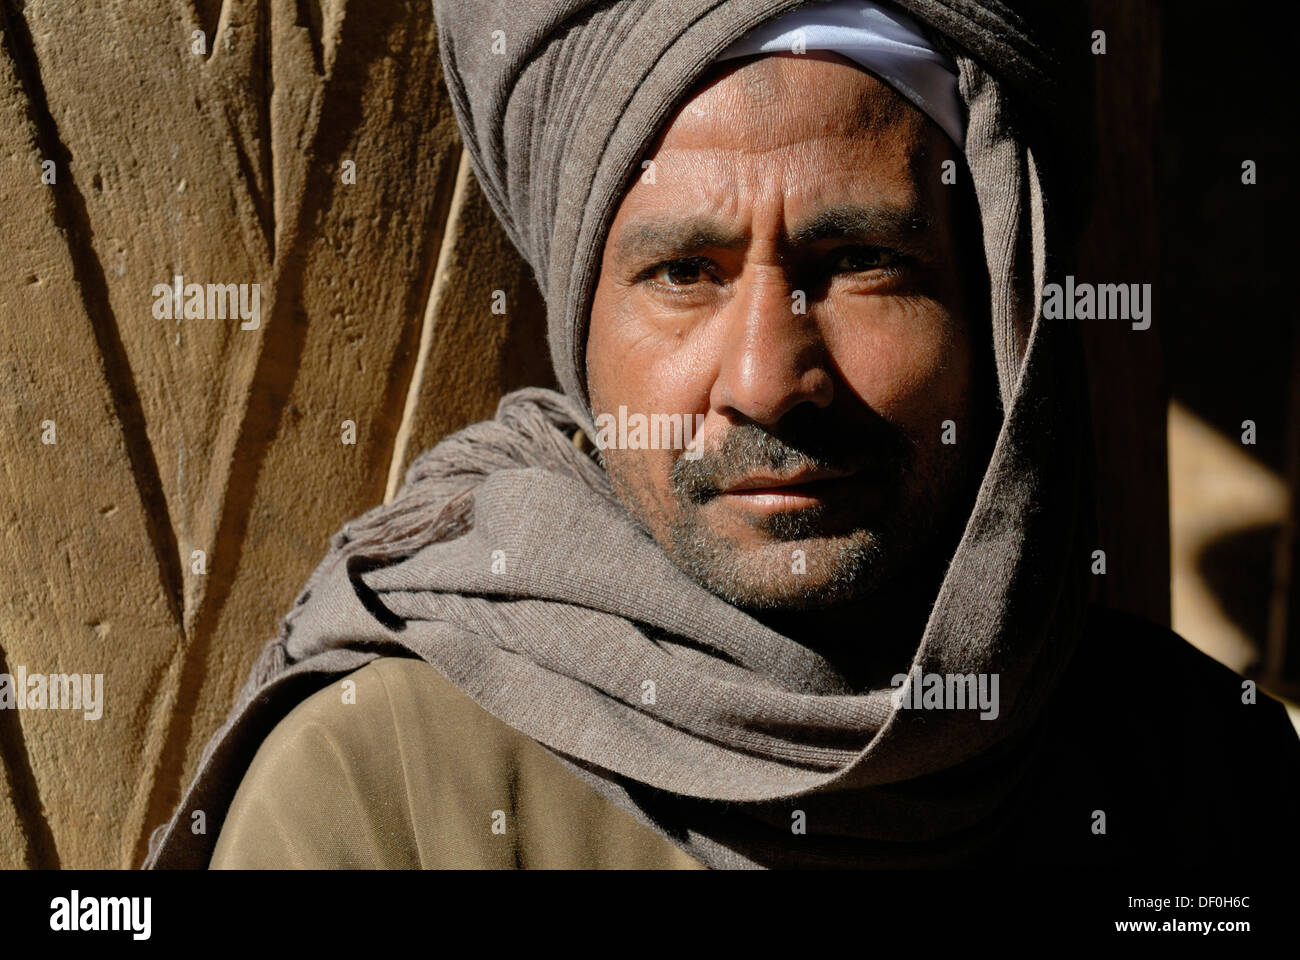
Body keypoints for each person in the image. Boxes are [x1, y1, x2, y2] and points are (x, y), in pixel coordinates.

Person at [144, 0, 1300, 870]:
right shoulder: (388, 787)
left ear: (1002, 304)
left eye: (861, 263)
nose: (766, 381)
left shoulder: (1199, 772)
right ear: (578, 323)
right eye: (683, 273)